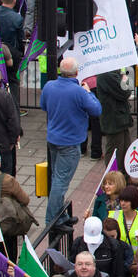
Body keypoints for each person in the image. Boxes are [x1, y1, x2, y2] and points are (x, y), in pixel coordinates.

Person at [41, 56, 103, 229]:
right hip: (70, 142)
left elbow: (43, 106)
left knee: (57, 178)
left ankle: (60, 214)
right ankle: (52, 220)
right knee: (61, 181)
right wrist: (89, 92)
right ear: (76, 73)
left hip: (53, 139)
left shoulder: (49, 86)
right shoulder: (80, 92)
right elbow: (96, 110)